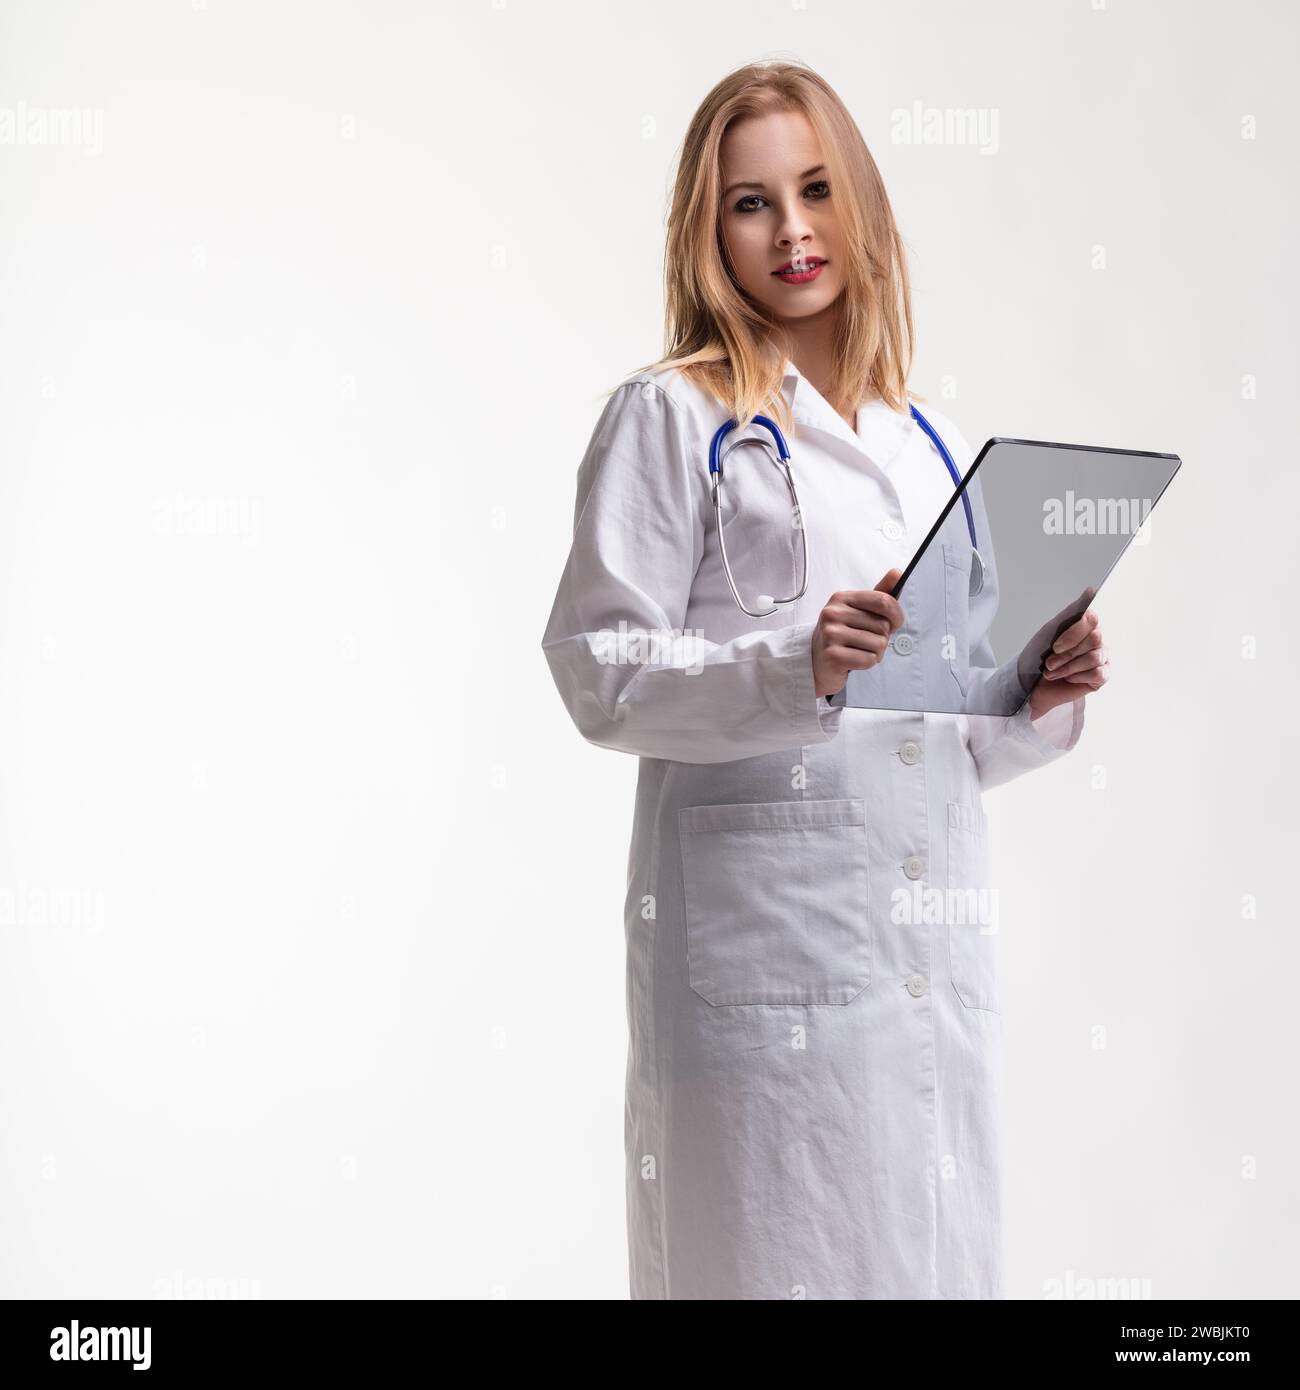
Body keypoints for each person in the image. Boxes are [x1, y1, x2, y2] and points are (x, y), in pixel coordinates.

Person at [539, 60, 1108, 1300]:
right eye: (750, 203)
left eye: (815, 189)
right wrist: (789, 668)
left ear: (861, 205)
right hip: (764, 972)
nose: (792, 231)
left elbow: (941, 724)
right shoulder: (667, 417)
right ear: (709, 230)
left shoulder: (926, 441)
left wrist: (1034, 692)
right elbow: (597, 668)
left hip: (921, 957)